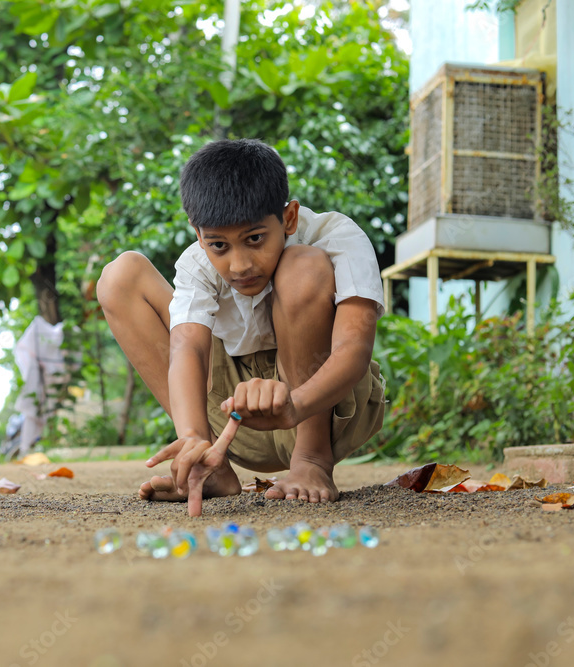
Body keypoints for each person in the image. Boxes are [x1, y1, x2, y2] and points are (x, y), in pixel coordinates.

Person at [97, 139, 386, 517]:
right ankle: (211, 465)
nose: (239, 264)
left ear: (289, 218)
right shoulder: (196, 264)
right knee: (121, 276)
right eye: (219, 245)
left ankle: (311, 460)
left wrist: (294, 405)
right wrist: (193, 437)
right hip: (236, 417)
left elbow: (354, 349)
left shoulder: (335, 236)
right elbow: (188, 348)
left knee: (303, 266)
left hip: (329, 409)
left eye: (254, 239)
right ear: (198, 235)